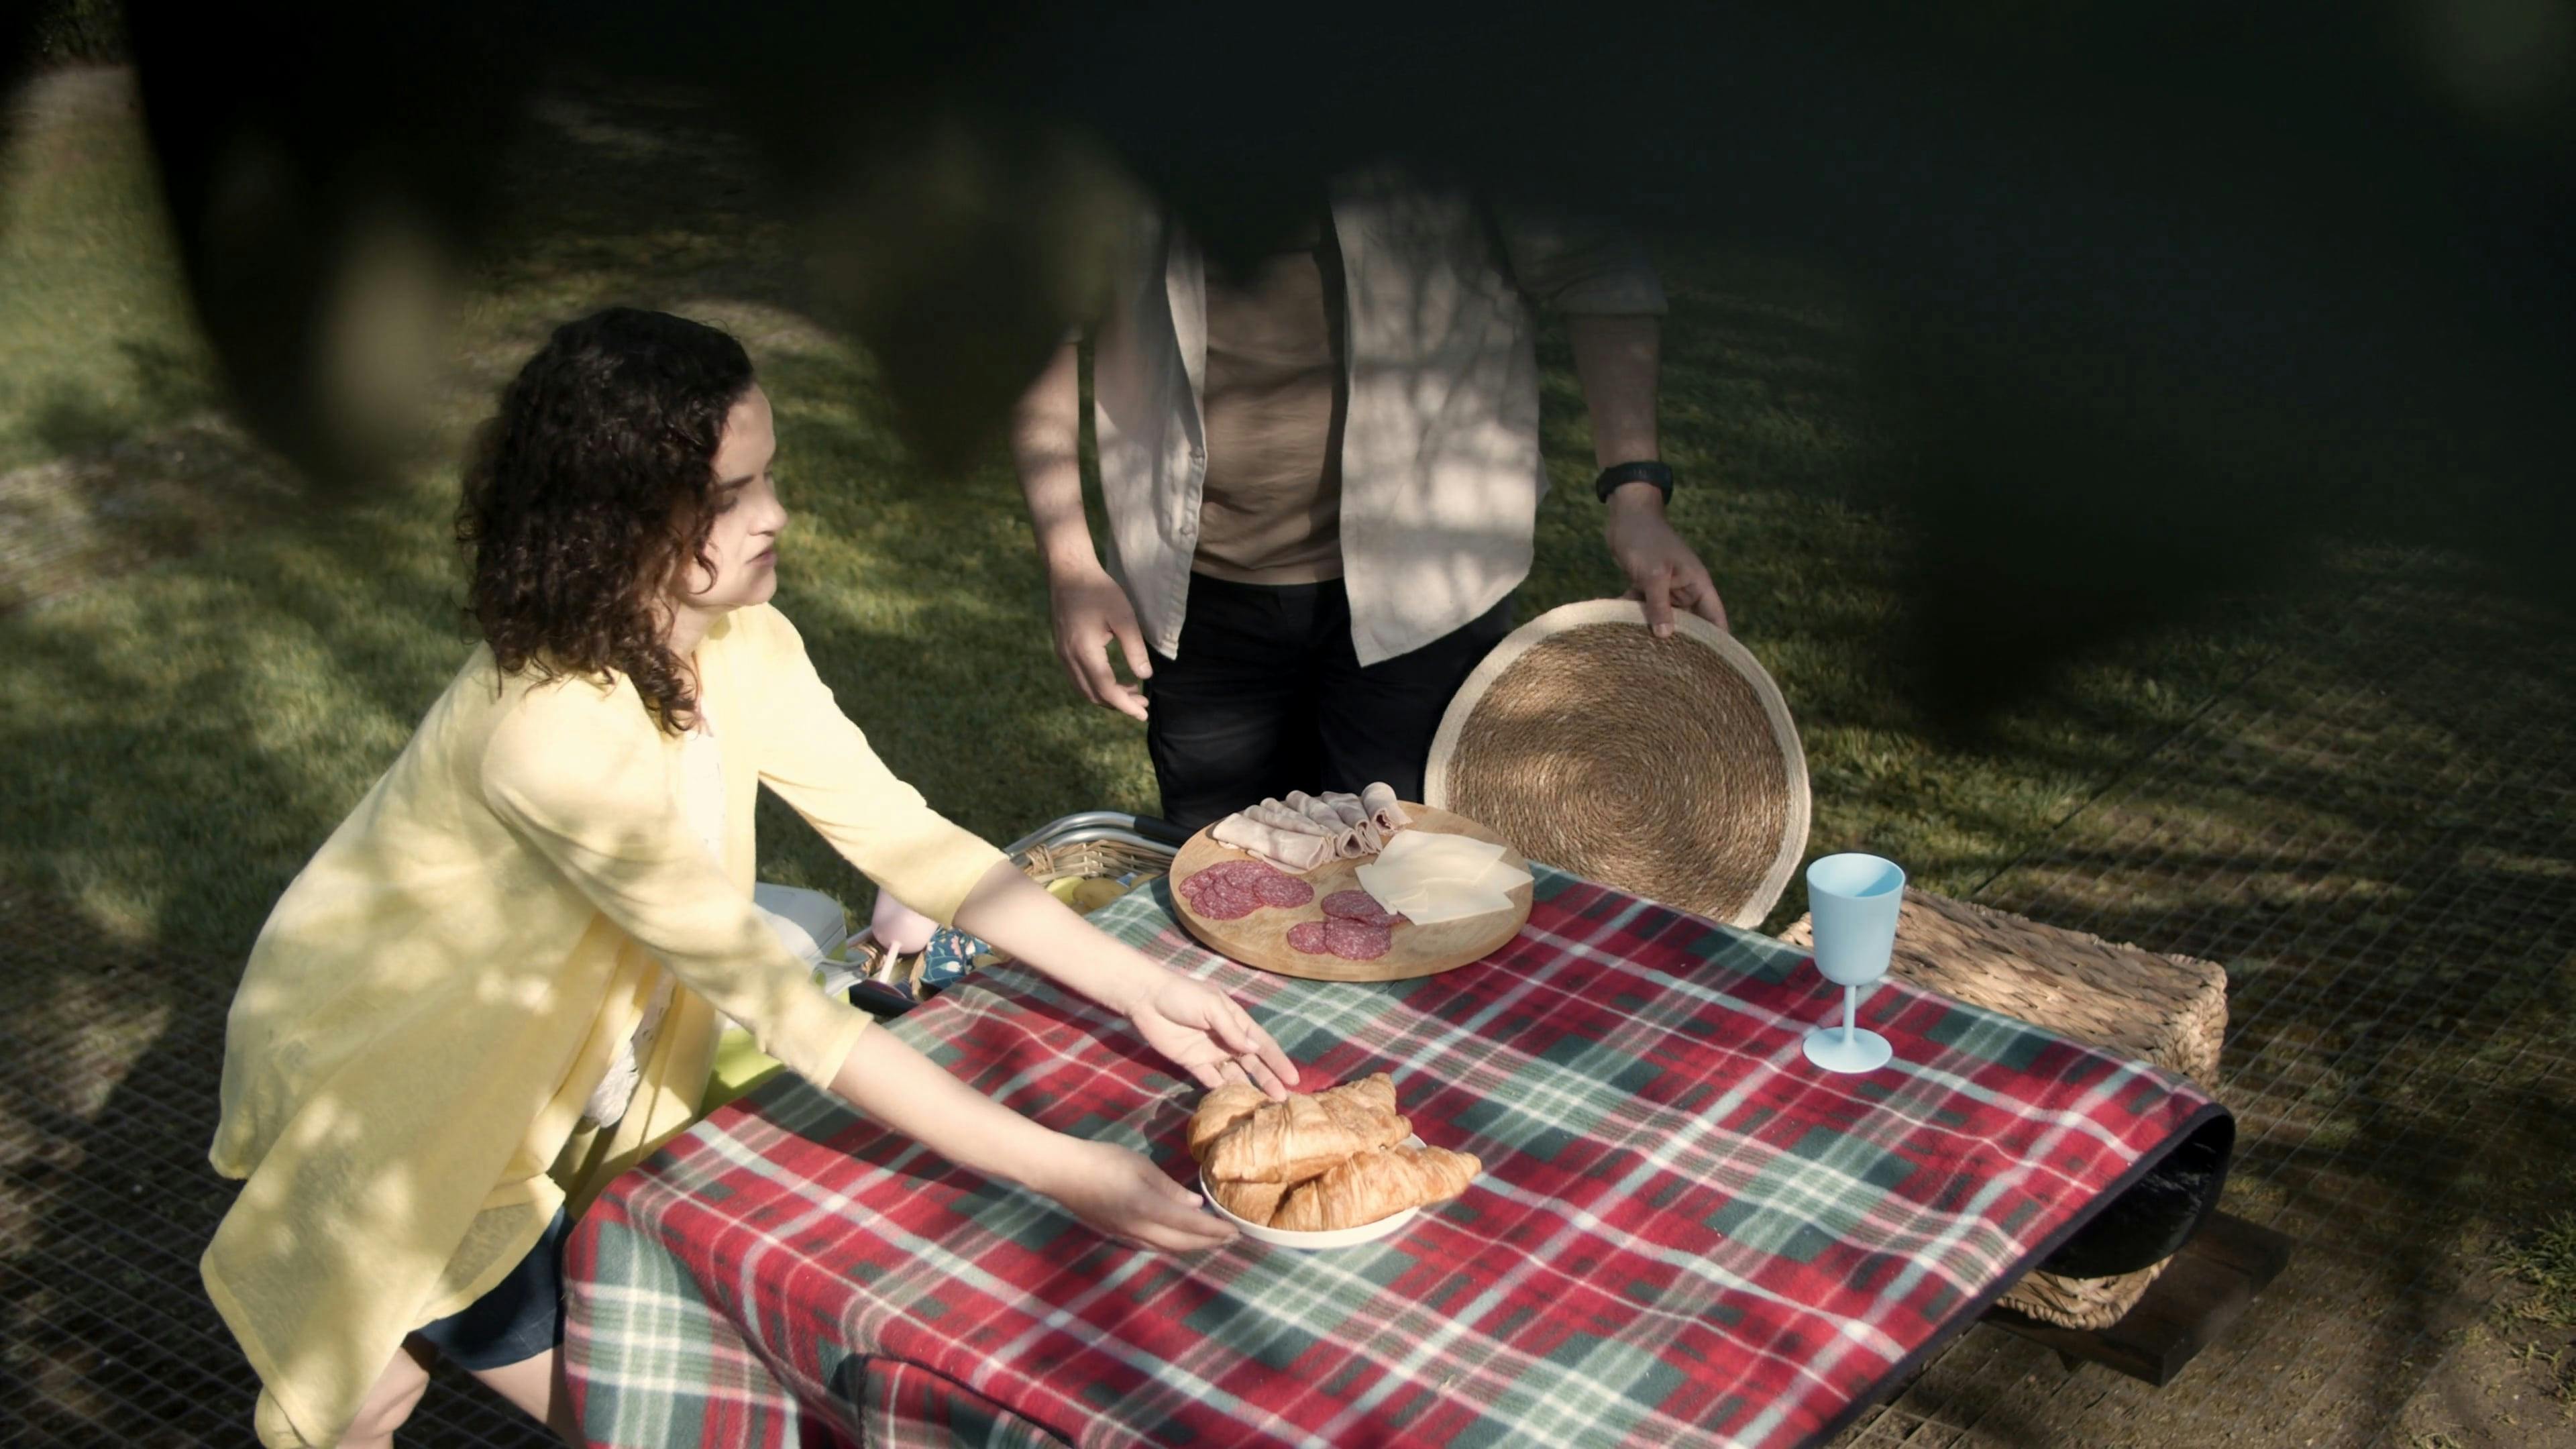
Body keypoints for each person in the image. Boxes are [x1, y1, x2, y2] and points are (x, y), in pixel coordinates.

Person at [201, 308, 1297, 1449]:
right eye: (728, 496)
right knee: (557, 1404)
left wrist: (1139, 988)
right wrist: (1067, 1171)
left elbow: (902, 836)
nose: (775, 513)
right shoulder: (548, 736)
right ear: (615, 522)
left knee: (403, 1375)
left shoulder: (738, 642)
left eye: (767, 476)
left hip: (540, 1064)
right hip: (402, 1093)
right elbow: (785, 1015)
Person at [1010, 168, 1727, 831]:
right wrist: (1069, 559)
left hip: (1426, 590)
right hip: (1196, 596)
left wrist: (1635, 494)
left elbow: (1596, 262)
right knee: (1226, 886)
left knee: (1406, 890)